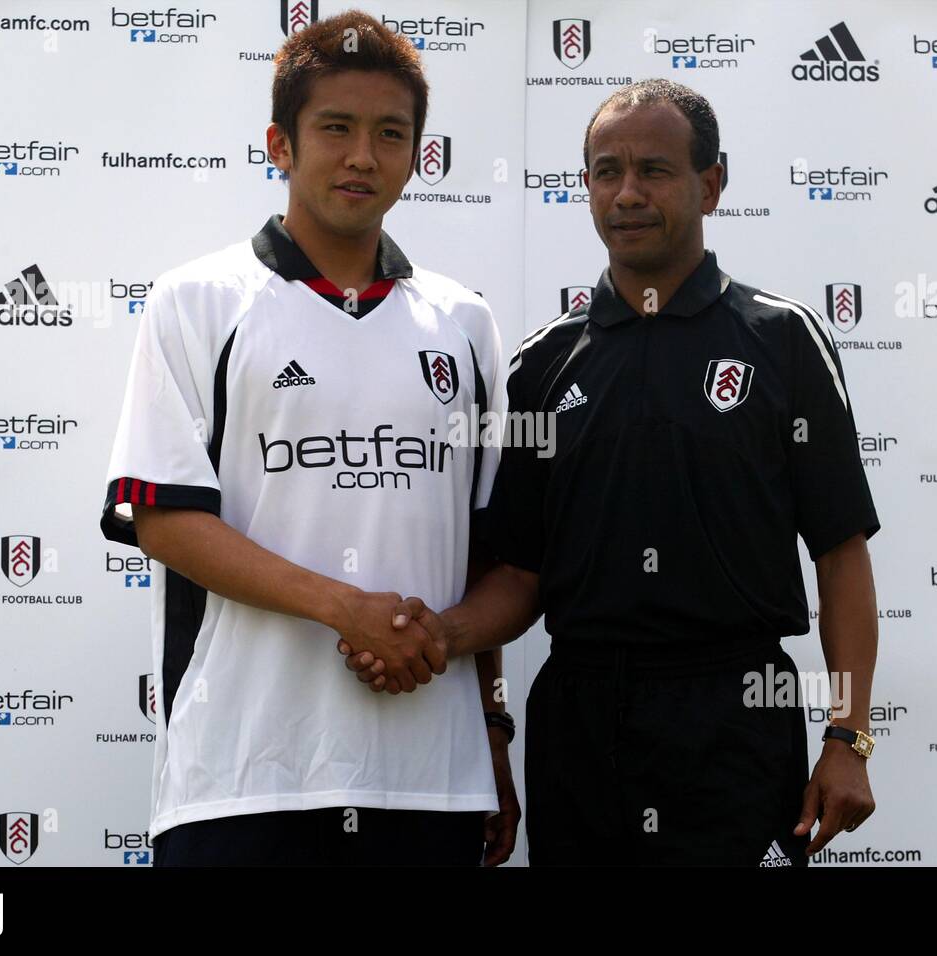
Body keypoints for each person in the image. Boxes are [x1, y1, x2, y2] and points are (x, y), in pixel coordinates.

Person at [341, 78, 881, 865]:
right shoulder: (539, 366)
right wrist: (464, 684)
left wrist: (848, 738)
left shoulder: (784, 341)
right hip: (579, 724)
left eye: (654, 171)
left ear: (712, 184)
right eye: (605, 171)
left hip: (735, 717)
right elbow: (513, 573)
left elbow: (841, 557)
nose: (626, 194)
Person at [99, 10, 519, 866]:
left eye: (390, 134)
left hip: (430, 783)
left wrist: (476, 703)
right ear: (279, 145)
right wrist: (348, 610)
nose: (363, 155)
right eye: (336, 128)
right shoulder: (198, 300)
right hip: (243, 780)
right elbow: (164, 520)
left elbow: (500, 558)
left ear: (417, 154)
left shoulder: (465, 323)